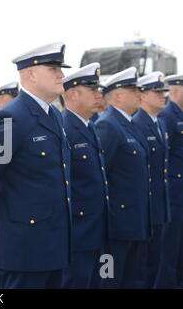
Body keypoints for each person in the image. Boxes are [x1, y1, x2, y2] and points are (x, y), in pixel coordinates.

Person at [0, 42, 72, 289]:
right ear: (30, 73)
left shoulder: (55, 115)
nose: (61, 74)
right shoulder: (11, 117)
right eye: (53, 69)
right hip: (24, 248)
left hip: (54, 244)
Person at [96, 67, 152, 288]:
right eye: (134, 90)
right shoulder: (107, 125)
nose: (140, 94)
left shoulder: (129, 123)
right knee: (111, 280)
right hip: (117, 226)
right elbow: (102, 176)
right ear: (117, 95)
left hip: (135, 221)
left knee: (133, 279)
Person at [61, 63, 109, 288]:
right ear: (73, 94)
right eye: (93, 90)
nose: (99, 95)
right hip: (77, 232)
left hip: (94, 229)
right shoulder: (65, 128)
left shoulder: (88, 126)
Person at [133, 72, 171, 288]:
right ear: (143, 95)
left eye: (163, 92)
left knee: (156, 259)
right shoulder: (137, 124)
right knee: (142, 265)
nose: (162, 96)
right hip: (143, 207)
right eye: (156, 92)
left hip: (159, 205)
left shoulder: (160, 123)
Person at [155, 74, 183, 288]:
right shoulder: (168, 116)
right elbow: (164, 157)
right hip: (173, 193)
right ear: (175, 91)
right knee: (169, 248)